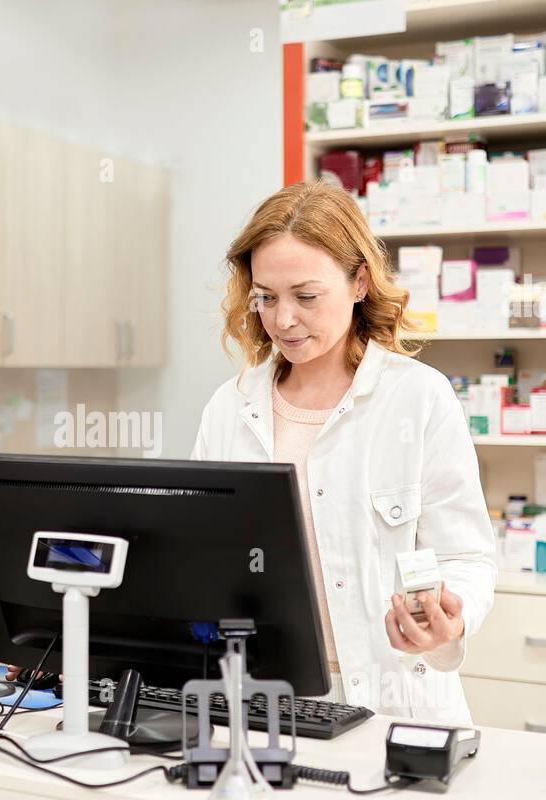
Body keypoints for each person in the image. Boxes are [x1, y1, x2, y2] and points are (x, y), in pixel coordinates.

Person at [191, 180, 496, 724]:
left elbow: (468, 556)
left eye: (306, 296)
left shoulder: (418, 398)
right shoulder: (229, 408)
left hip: (396, 701)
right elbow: (198, 557)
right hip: (269, 698)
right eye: (266, 297)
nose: (283, 319)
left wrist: (453, 615)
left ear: (359, 282)